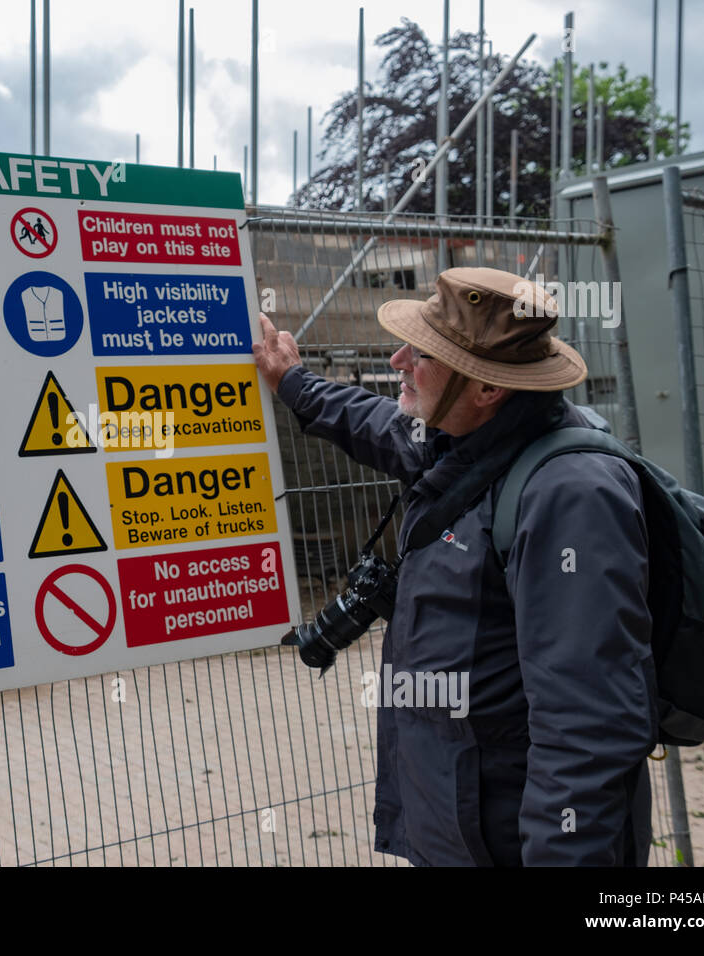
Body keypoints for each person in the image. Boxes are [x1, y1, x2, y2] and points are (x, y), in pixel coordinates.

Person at [253, 266, 657, 866]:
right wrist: (295, 382)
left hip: (512, 840)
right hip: (459, 824)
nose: (396, 360)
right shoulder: (470, 438)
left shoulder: (571, 495)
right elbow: (379, 427)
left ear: (488, 388)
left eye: (420, 353)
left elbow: (588, 729)